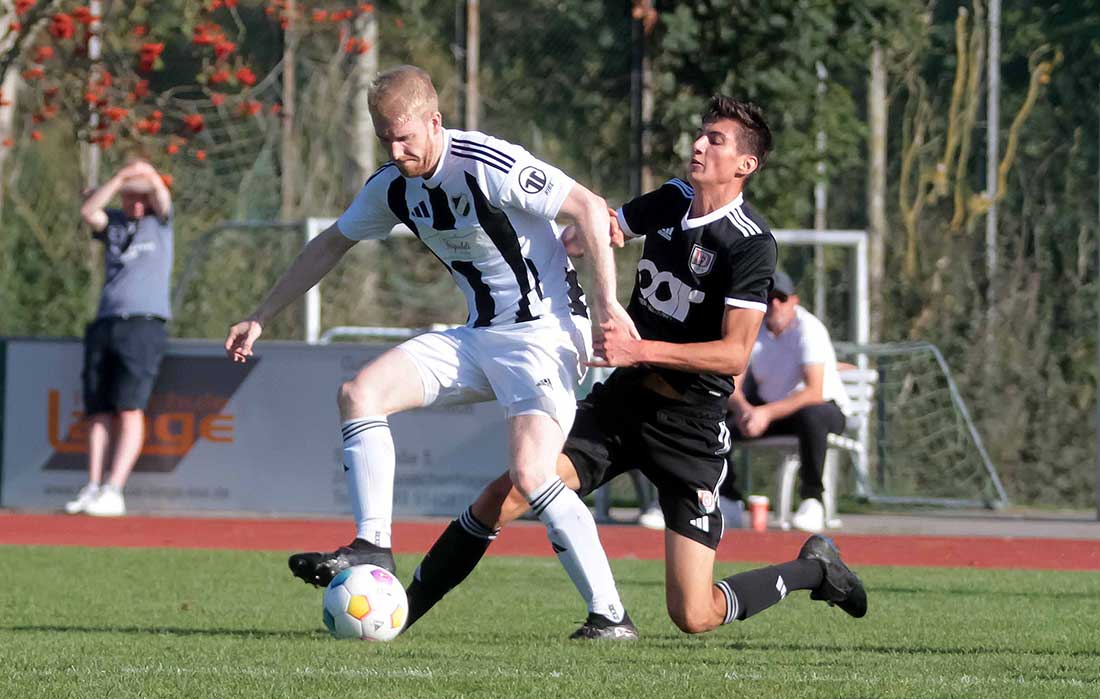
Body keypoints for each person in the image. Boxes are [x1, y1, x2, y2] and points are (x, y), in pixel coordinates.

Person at [401, 96, 867, 638]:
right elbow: (607, 226)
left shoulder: (749, 242)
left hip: (691, 426)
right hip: (622, 405)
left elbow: (734, 354)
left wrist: (638, 349)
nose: (698, 144)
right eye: (701, 134)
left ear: (746, 164)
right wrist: (575, 236)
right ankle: (401, 613)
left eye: (715, 139)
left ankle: (815, 569)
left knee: (693, 614)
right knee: (504, 496)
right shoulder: (672, 198)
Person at [224, 65, 638, 638]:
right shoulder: (392, 186)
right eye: (385, 140)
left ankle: (610, 616)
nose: (396, 152)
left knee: (530, 473)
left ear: (434, 122)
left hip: (544, 335)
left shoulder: (487, 163)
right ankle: (373, 546)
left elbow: (589, 206)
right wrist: (261, 314)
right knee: (360, 393)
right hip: (477, 336)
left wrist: (609, 304)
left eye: (405, 138)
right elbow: (330, 244)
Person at [64, 158, 174, 517]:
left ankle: (115, 489)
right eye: (129, 196)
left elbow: (158, 189)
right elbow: (88, 212)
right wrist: (121, 178)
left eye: (139, 196)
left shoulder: (161, 222)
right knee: (98, 410)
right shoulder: (112, 222)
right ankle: (93, 485)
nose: (135, 202)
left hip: (143, 324)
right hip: (106, 321)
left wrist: (140, 173)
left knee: (129, 406)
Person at [725, 271, 850, 533]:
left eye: (780, 298)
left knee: (812, 415)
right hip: (771, 412)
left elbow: (814, 391)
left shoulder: (809, 328)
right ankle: (727, 500)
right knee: (717, 421)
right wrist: (745, 410)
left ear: (794, 301)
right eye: (768, 298)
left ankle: (812, 500)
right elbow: (733, 386)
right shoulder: (752, 329)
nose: (774, 304)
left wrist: (765, 414)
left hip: (823, 410)